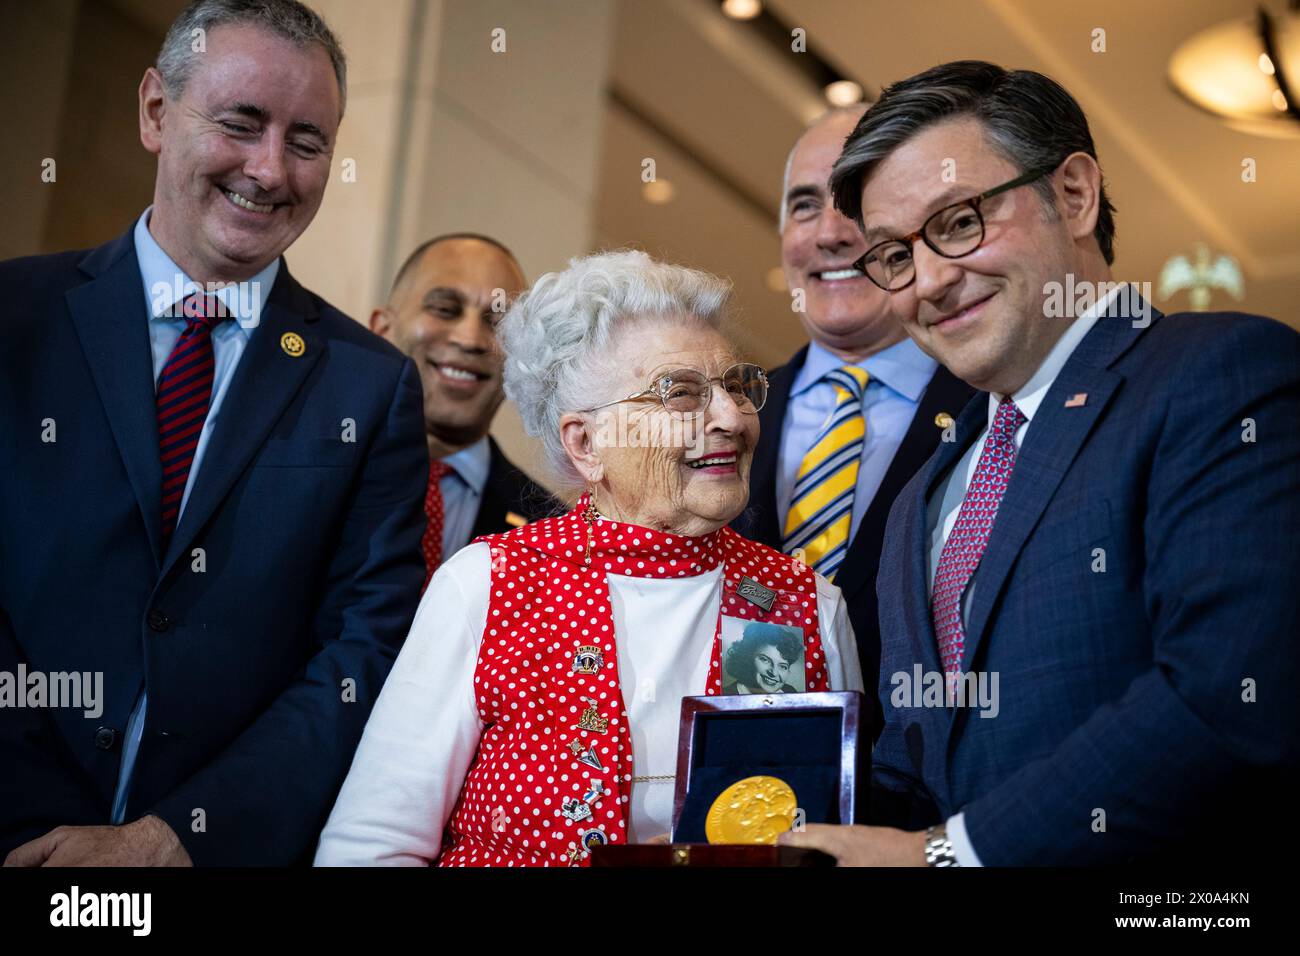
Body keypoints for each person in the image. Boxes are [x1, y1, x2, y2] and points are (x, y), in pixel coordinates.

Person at [780, 60, 1300, 866]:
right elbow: (915, 770)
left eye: (957, 222)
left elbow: (1228, 695)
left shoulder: (1223, 373)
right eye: (894, 255)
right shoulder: (924, 492)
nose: (931, 281)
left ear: (1075, 194)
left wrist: (948, 856)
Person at [0, 0, 428, 866]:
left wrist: (175, 839)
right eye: (241, 123)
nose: (269, 170)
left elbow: (360, 651)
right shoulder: (15, 318)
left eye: (306, 142)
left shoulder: (371, 385)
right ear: (157, 111)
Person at [314, 250, 865, 866]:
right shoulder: (489, 585)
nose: (734, 418)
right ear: (586, 444)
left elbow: (835, 851)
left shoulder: (806, 606)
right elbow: (372, 845)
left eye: (737, 387)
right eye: (680, 394)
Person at [733, 106, 972, 742]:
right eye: (805, 206)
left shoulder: (990, 410)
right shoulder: (725, 413)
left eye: (855, 203)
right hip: (732, 796)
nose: (831, 234)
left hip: (919, 803)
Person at [370, 233, 559, 589]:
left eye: (496, 322)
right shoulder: (311, 468)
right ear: (383, 329)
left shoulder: (551, 534)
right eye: (445, 309)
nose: (470, 339)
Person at [722, 622, 803, 694]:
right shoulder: (725, 695)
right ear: (746, 657)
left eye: (783, 666)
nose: (774, 673)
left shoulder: (789, 691)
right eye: (765, 660)